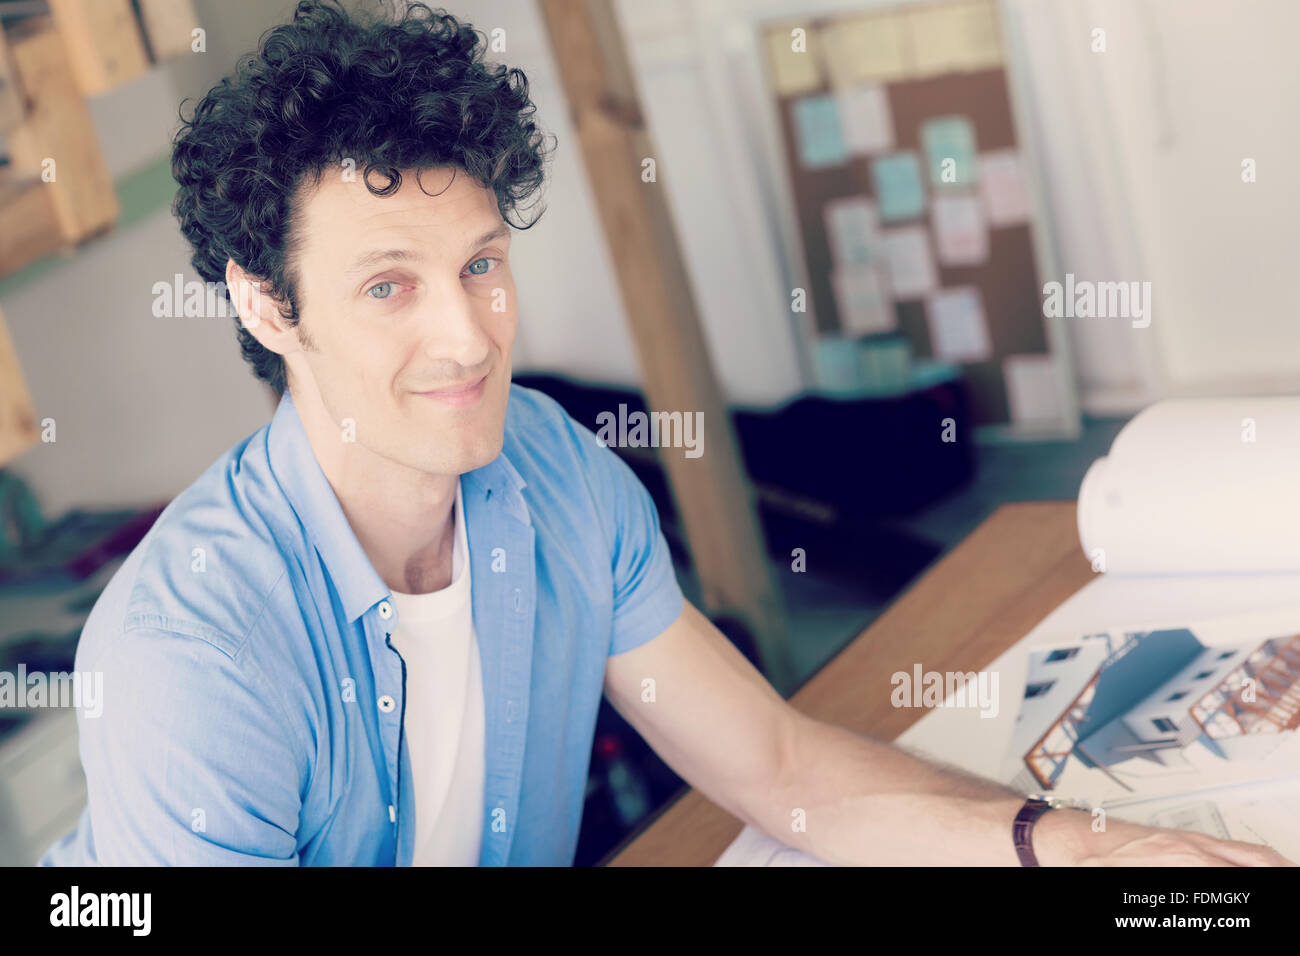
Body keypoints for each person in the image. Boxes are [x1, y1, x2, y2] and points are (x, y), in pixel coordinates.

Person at [39, 0, 1290, 867]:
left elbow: (778, 764)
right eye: (387, 286)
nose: (469, 337)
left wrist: (1081, 844)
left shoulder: (551, 475)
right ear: (266, 302)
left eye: (478, 264)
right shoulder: (194, 656)